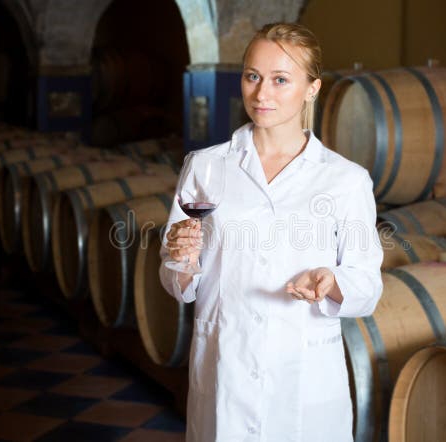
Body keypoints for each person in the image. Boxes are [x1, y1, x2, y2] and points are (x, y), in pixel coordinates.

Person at [159, 22, 383, 442]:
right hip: (224, 370)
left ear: (312, 88)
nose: (261, 94)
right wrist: (181, 260)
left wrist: (333, 281)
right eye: (252, 76)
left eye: (281, 80)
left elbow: (368, 286)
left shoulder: (346, 180)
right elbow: (176, 281)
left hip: (305, 380)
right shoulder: (205, 166)